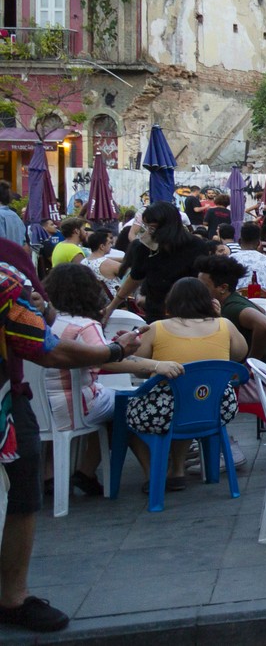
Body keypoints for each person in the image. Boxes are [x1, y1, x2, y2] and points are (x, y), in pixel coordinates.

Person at [0, 240, 147, 632]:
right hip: (12, 407)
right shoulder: (6, 271)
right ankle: (12, 598)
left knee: (22, 492)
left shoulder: (11, 265)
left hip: (24, 403)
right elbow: (48, 349)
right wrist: (117, 349)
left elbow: (43, 332)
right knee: (20, 495)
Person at [42, 264, 182, 497]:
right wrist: (155, 365)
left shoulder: (50, 325)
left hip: (45, 410)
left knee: (115, 408)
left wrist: (118, 348)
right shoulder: (85, 325)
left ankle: (83, 473)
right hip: (76, 406)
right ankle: (152, 474)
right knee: (128, 406)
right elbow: (107, 360)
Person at [124, 277, 248, 493]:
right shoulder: (224, 325)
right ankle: (177, 469)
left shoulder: (157, 328)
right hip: (217, 408)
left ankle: (153, 472)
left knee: (125, 417)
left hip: (168, 411)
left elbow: (137, 368)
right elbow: (239, 354)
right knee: (190, 400)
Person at [113, 203, 210, 321]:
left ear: (168, 227)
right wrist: (111, 307)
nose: (149, 232)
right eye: (147, 227)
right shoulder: (144, 247)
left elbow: (201, 283)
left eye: (152, 228)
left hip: (189, 313)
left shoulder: (196, 247)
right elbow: (135, 277)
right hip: (155, 313)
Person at [193, 253, 266, 369]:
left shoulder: (232, 307)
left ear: (223, 288)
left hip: (262, 379)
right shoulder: (233, 300)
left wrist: (250, 364)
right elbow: (261, 310)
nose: (199, 290)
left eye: (203, 286)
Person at [232, 222, 266, 295]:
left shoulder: (230, 260)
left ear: (239, 241)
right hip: (265, 305)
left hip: (236, 304)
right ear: (259, 243)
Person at [83, 231, 123, 296]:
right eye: (109, 243)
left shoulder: (82, 262)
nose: (111, 245)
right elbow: (131, 276)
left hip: (92, 299)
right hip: (114, 302)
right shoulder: (110, 264)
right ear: (102, 246)